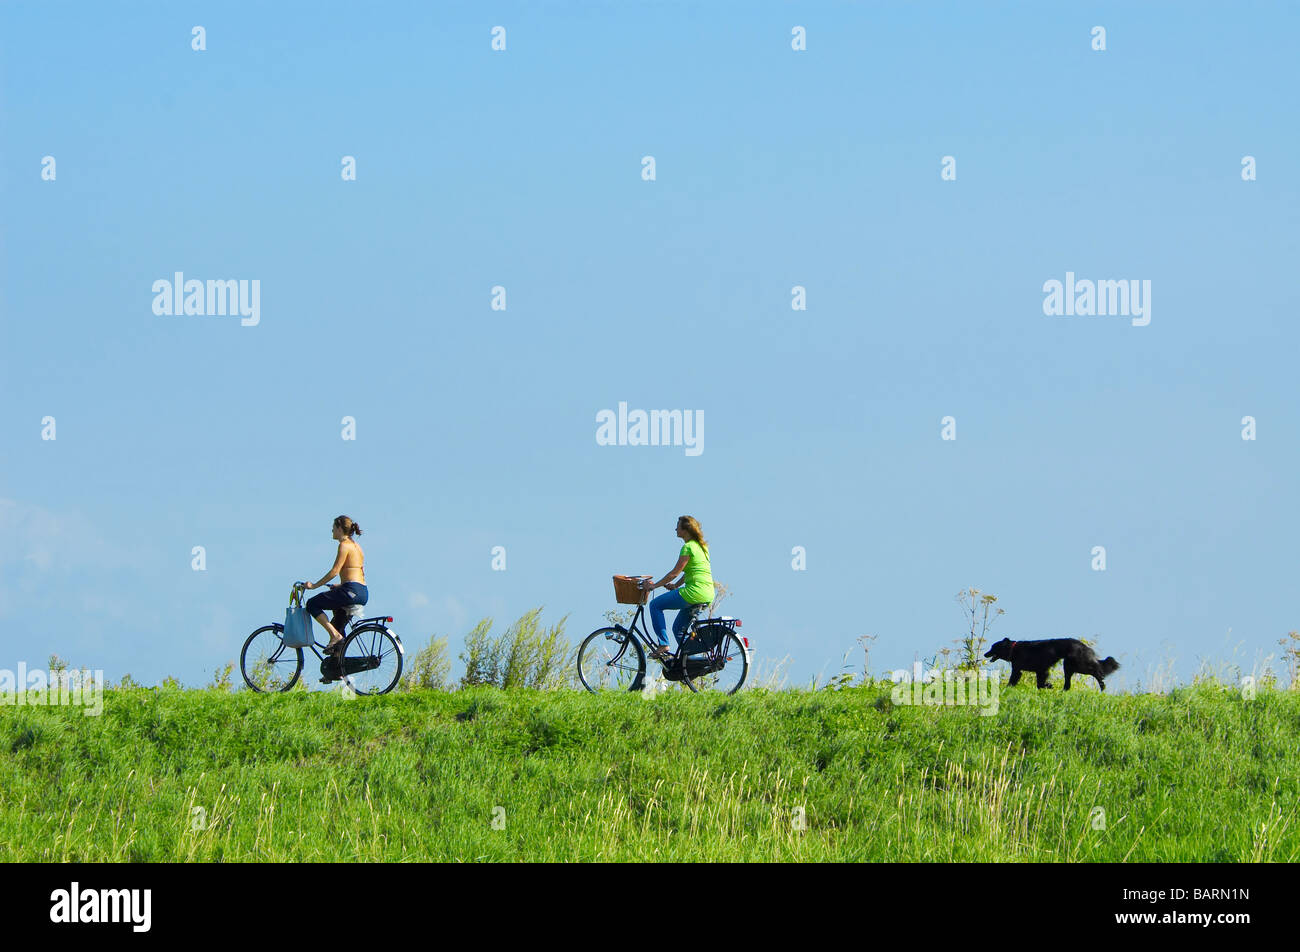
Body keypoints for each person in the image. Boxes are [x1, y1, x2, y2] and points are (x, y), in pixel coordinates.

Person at [644, 515, 715, 661]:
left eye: (678, 526)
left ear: (685, 529)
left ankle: (663, 644)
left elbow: (674, 573)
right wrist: (676, 586)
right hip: (707, 594)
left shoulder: (688, 547)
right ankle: (691, 663)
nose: (675, 529)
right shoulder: (702, 547)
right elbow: (691, 571)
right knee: (678, 629)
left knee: (655, 605)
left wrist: (654, 586)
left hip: (693, 592)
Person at [302, 515, 367, 657]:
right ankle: (339, 663)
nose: (332, 530)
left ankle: (335, 636)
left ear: (339, 529)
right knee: (337, 625)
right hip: (361, 591)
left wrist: (314, 586)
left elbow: (335, 571)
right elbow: (354, 571)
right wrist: (340, 586)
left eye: (333, 528)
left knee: (312, 604)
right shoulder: (357, 546)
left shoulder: (344, 545)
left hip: (351, 591)